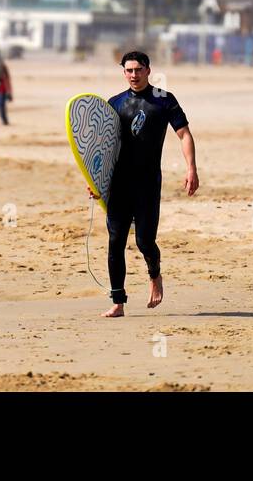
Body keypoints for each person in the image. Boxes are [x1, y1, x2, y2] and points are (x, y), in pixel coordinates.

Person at [99, 51, 198, 318]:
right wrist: (94, 180)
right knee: (116, 240)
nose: (134, 75)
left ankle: (154, 274)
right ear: (123, 73)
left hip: (147, 183)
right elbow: (102, 149)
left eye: (138, 70)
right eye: (129, 70)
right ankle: (118, 302)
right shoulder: (114, 103)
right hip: (118, 184)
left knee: (144, 241)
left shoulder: (164, 100)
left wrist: (191, 168)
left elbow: (184, 134)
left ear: (148, 70)